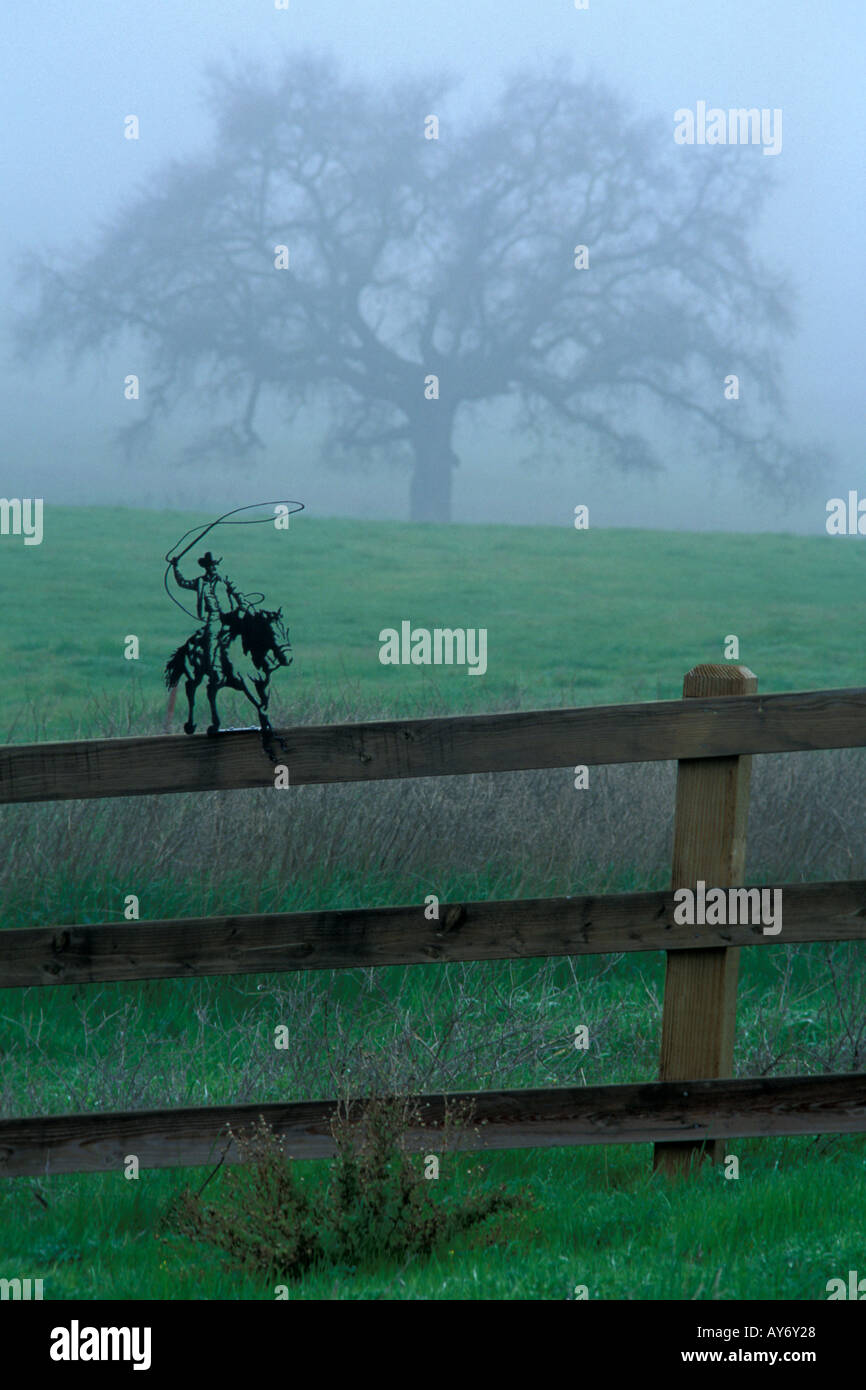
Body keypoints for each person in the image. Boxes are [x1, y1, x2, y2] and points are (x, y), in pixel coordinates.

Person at [171, 551, 246, 677]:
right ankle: (215, 667)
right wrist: (175, 567)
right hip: (214, 615)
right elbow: (182, 582)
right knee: (212, 637)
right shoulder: (200, 582)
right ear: (206, 567)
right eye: (211, 565)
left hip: (230, 614)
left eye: (215, 565)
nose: (214, 568)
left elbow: (237, 592)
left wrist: (242, 606)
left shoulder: (224, 579)